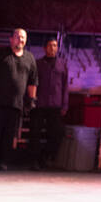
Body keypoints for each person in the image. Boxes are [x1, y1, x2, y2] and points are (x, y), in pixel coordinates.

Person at [0, 28, 38, 171]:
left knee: (10, 135)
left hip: (16, 105)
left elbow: (33, 81)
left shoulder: (30, 58)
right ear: (11, 39)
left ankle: (3, 161)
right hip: (0, 102)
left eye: (23, 37)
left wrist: (32, 99)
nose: (20, 40)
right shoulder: (2, 54)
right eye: (17, 37)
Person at [30, 38, 69, 168]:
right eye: (50, 46)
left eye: (55, 45)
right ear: (44, 48)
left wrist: (65, 105)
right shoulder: (38, 64)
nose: (53, 48)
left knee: (57, 133)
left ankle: (45, 156)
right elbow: (31, 83)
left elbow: (65, 86)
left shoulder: (62, 64)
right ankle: (34, 160)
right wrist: (30, 100)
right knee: (35, 132)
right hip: (39, 104)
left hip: (55, 105)